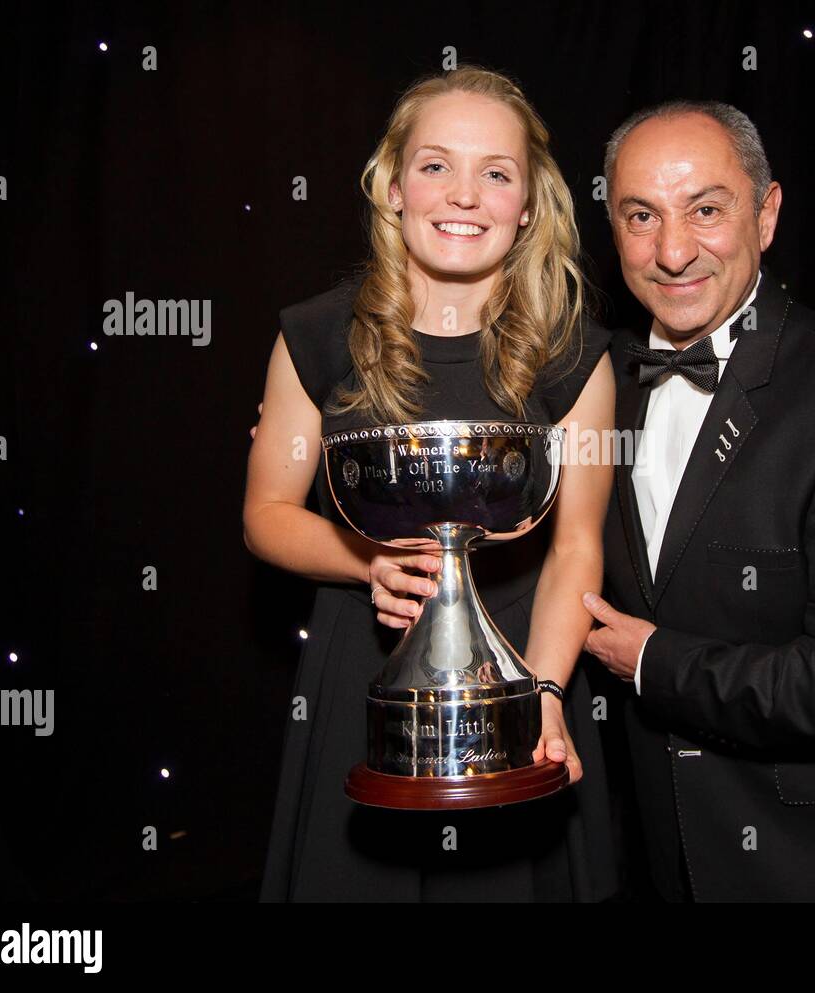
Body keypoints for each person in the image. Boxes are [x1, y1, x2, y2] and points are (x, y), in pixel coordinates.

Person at [243, 66, 618, 902]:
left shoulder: (574, 356)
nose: (464, 195)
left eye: (496, 172)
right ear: (392, 184)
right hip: (364, 668)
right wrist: (366, 563)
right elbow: (266, 516)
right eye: (436, 164)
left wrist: (544, 694)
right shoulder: (316, 335)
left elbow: (578, 545)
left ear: (528, 204)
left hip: (524, 659)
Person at [581, 101, 815, 901]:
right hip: (640, 849)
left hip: (808, 862)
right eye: (641, 215)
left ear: (767, 214)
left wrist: (650, 660)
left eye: (706, 210)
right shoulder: (591, 382)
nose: (672, 251)